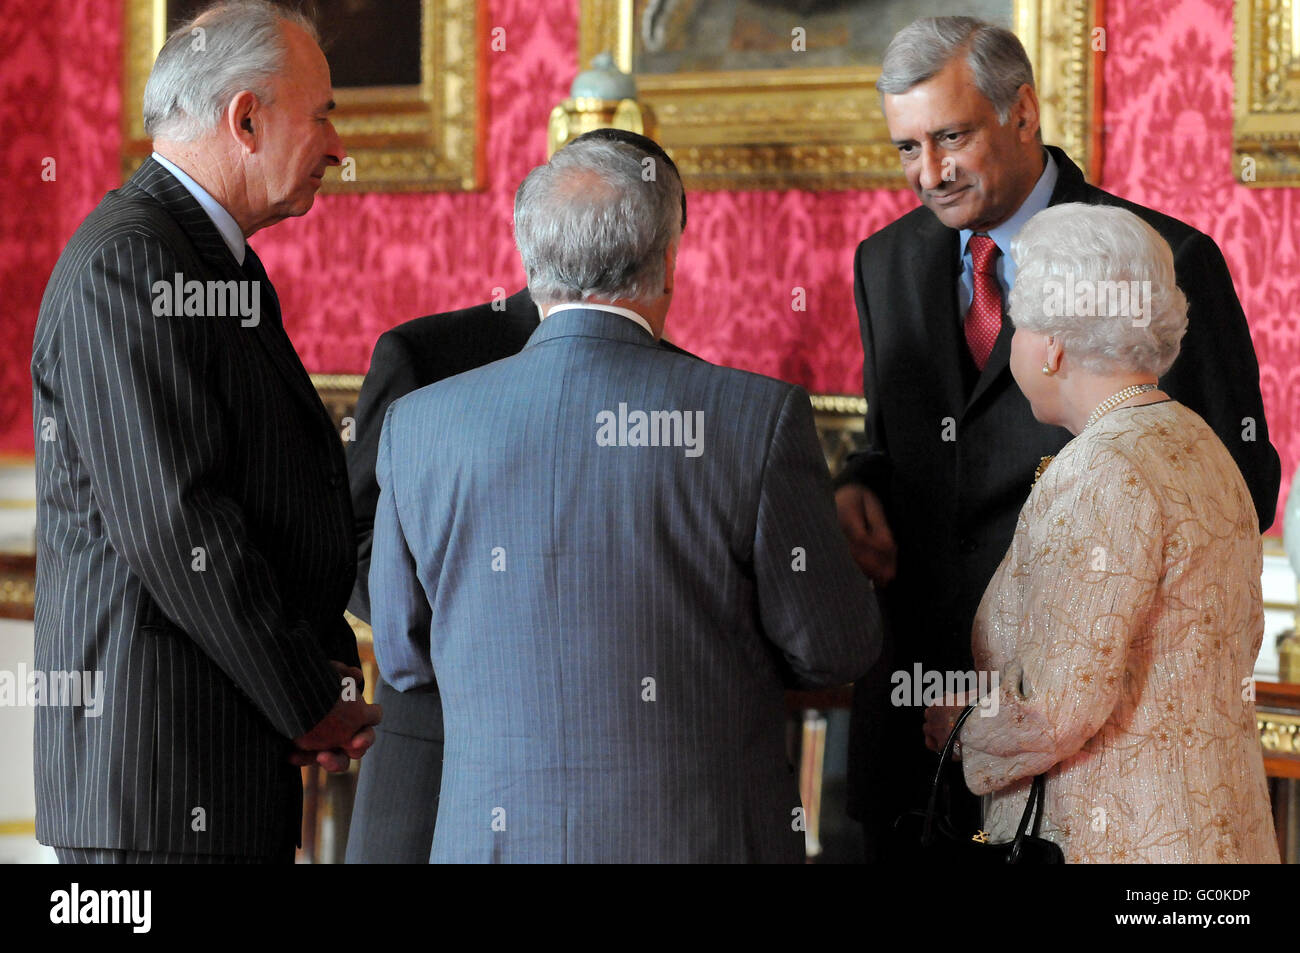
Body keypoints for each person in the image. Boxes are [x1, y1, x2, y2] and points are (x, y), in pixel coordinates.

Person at [836, 15, 1281, 860]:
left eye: (951, 136)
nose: (929, 174)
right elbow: (894, 444)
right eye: (906, 149)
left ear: (1024, 112)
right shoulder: (886, 262)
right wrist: (857, 479)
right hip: (915, 741)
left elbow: (1238, 481)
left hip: (1084, 773)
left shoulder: (1162, 258)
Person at [368, 134, 883, 863]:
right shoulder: (752, 420)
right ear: (668, 261)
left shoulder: (419, 426)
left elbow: (403, 657)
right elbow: (835, 648)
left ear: (528, 263)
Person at [30, 0, 381, 864]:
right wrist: (308, 700)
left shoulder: (205, 256)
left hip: (210, 766)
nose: (339, 145)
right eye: (325, 111)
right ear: (247, 119)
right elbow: (177, 523)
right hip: (156, 785)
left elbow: (260, 497)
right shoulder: (133, 261)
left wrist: (318, 680)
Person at [344, 128, 696, 864]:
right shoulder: (426, 358)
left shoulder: (692, 393)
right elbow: (356, 537)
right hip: (437, 753)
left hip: (620, 776)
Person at [921, 203, 1280, 863]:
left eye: (1021, 326)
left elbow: (1054, 709)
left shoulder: (1097, 470)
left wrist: (960, 726)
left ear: (1053, 343)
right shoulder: (1201, 446)